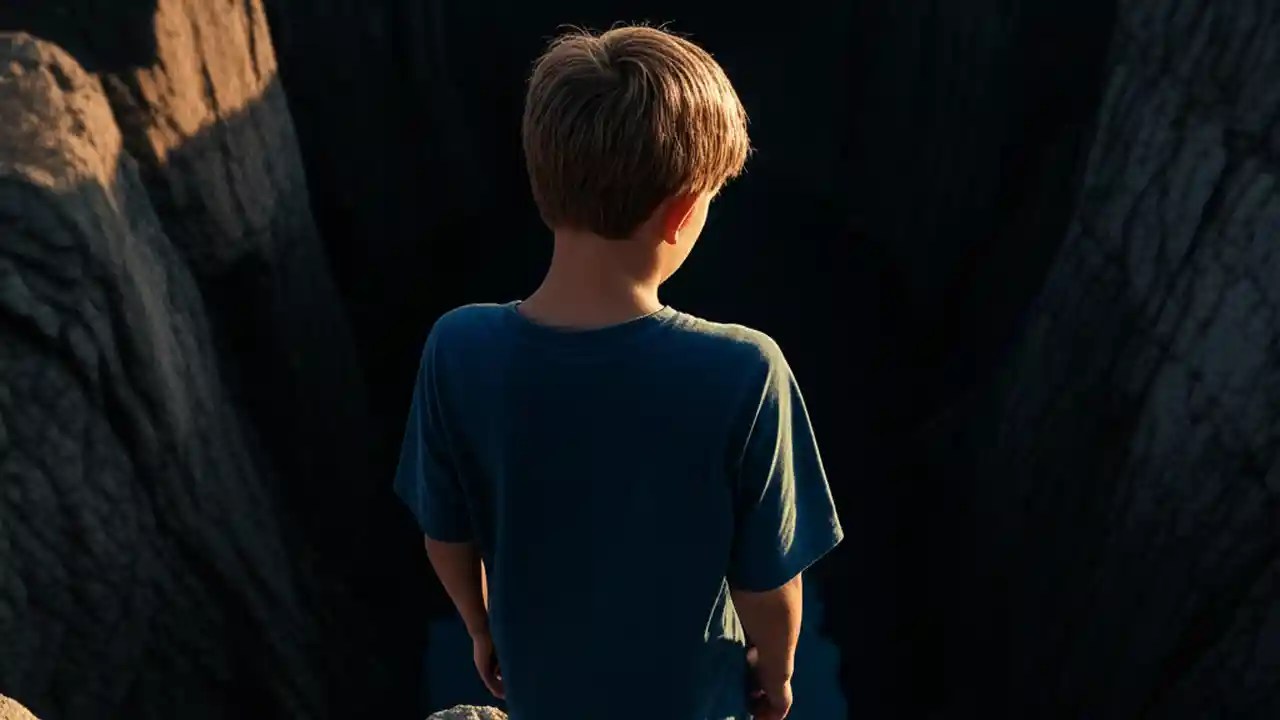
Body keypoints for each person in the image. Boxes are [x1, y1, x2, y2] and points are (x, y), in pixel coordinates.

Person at [394, 24, 843, 720]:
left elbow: (445, 534)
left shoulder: (459, 346)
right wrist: (777, 673)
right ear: (683, 212)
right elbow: (769, 586)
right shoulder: (745, 370)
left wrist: (482, 629)